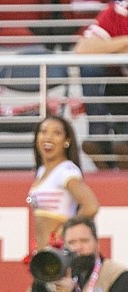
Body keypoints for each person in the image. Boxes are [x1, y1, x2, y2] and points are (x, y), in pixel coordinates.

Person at [10, 116, 100, 292]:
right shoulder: (43, 171)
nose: (48, 137)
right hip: (44, 265)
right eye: (43, 131)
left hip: (58, 265)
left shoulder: (67, 171)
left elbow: (90, 205)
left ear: (67, 140)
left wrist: (61, 236)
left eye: (56, 133)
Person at [74, 0, 128, 170]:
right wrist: (125, 42)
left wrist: (111, 46)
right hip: (121, 88)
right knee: (90, 66)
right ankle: (100, 138)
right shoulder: (119, 10)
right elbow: (83, 48)